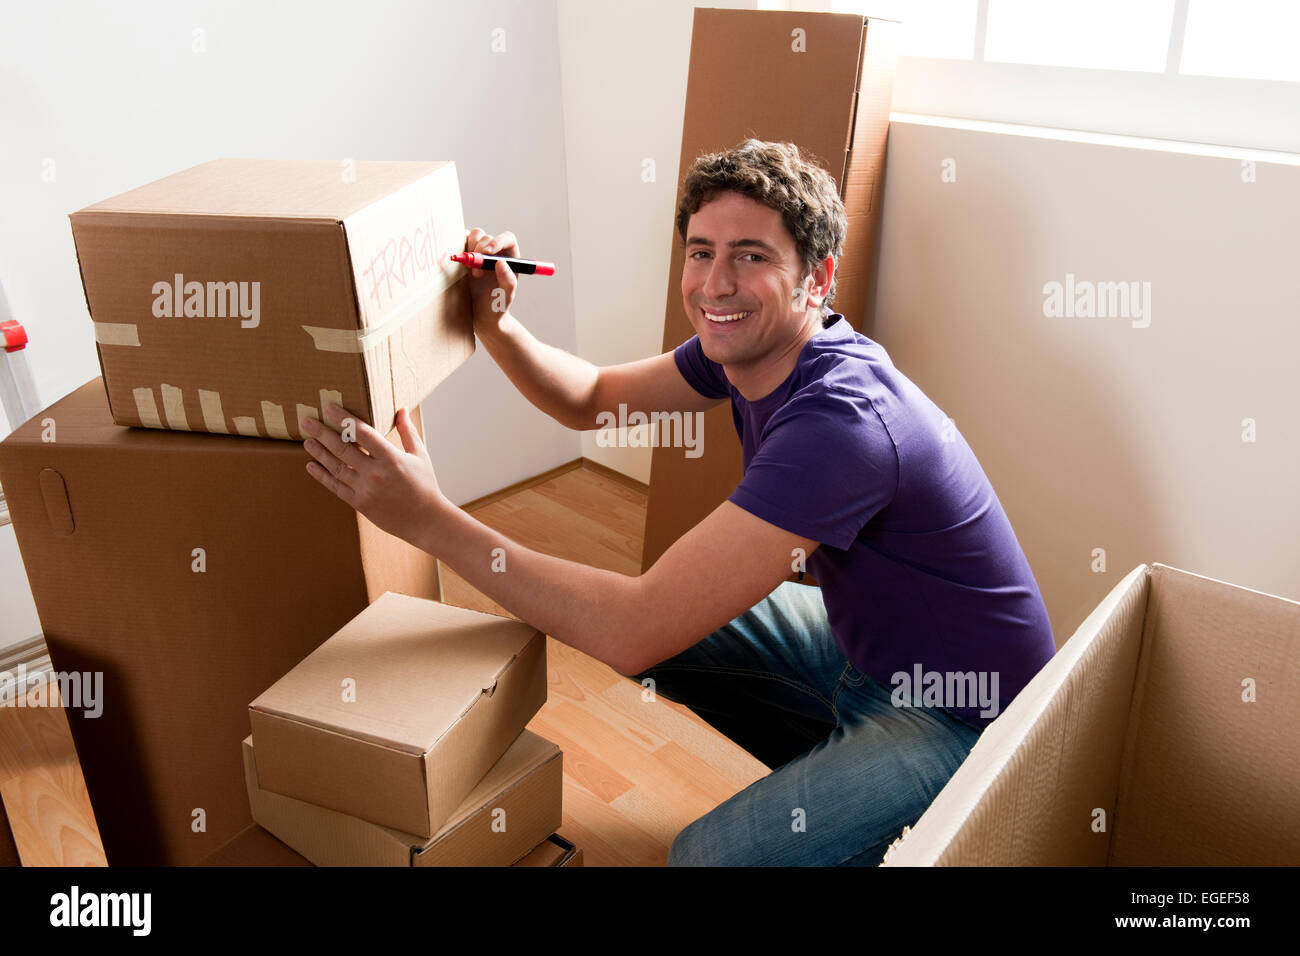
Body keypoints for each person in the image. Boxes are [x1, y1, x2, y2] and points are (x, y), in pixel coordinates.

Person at [300, 138, 1056, 866]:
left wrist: (427, 519)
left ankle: (934, 826)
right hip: (870, 653)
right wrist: (494, 319)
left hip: (968, 718)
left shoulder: (842, 423)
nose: (714, 284)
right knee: (666, 625)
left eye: (750, 256)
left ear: (817, 279)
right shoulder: (749, 345)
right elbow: (589, 398)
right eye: (702, 252)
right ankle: (848, 775)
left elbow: (632, 630)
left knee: (704, 856)